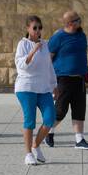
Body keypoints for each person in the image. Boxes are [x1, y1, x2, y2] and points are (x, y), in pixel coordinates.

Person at [47, 10, 88, 149]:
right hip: (63, 79)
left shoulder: (82, 36)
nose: (80, 22)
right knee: (60, 110)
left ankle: (79, 139)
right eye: (77, 20)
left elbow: (80, 56)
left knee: (79, 109)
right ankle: (48, 131)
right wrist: (50, 79)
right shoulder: (58, 37)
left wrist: (86, 70)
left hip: (79, 78)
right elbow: (48, 58)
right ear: (69, 23)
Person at [14, 15, 56, 165]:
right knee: (30, 120)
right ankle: (28, 154)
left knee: (50, 118)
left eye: (40, 27)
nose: (38, 31)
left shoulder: (45, 44)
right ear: (28, 29)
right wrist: (33, 51)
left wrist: (54, 84)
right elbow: (22, 66)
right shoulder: (22, 44)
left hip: (43, 87)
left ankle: (36, 145)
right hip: (26, 87)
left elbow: (49, 66)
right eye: (34, 28)